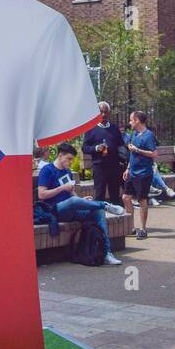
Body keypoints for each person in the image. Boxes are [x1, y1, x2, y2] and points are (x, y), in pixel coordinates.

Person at [36, 143, 122, 265]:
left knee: (98, 211)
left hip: (71, 209)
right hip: (55, 211)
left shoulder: (67, 172)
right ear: (60, 156)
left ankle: (107, 253)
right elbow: (41, 195)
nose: (71, 162)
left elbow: (72, 194)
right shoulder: (47, 170)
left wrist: (82, 200)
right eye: (69, 159)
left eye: (72, 159)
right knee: (74, 202)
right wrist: (62, 188)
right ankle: (105, 205)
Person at [123, 110, 159, 240]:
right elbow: (132, 154)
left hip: (143, 174)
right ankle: (131, 227)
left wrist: (138, 150)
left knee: (142, 200)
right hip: (132, 172)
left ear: (137, 121)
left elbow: (154, 154)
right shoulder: (134, 134)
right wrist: (128, 168)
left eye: (131, 120)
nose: (130, 122)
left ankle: (143, 229)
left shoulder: (148, 135)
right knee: (126, 198)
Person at [82, 102, 125, 206]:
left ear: (109, 113)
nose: (103, 115)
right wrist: (96, 148)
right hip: (99, 166)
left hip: (114, 166)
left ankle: (117, 218)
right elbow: (85, 148)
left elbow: (121, 145)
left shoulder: (114, 128)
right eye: (101, 112)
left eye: (105, 112)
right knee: (99, 194)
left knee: (115, 194)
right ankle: (99, 217)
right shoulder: (91, 129)